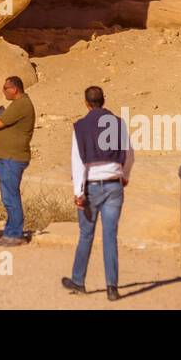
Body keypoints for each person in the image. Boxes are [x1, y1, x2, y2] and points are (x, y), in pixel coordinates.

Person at [64, 85, 134, 301]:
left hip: (92, 186)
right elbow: (130, 154)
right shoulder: (118, 124)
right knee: (110, 236)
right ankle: (112, 287)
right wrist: (124, 176)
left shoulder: (81, 127)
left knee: (86, 234)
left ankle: (78, 280)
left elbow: (78, 162)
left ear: (86, 103)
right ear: (104, 100)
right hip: (114, 184)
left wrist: (78, 191)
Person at [0, 75, 36, 246]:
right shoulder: (17, 104)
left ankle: (15, 234)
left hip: (12, 158)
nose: (3, 90)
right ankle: (10, 232)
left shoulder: (21, 104)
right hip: (7, 157)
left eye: (5, 88)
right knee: (8, 197)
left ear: (14, 89)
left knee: (11, 196)